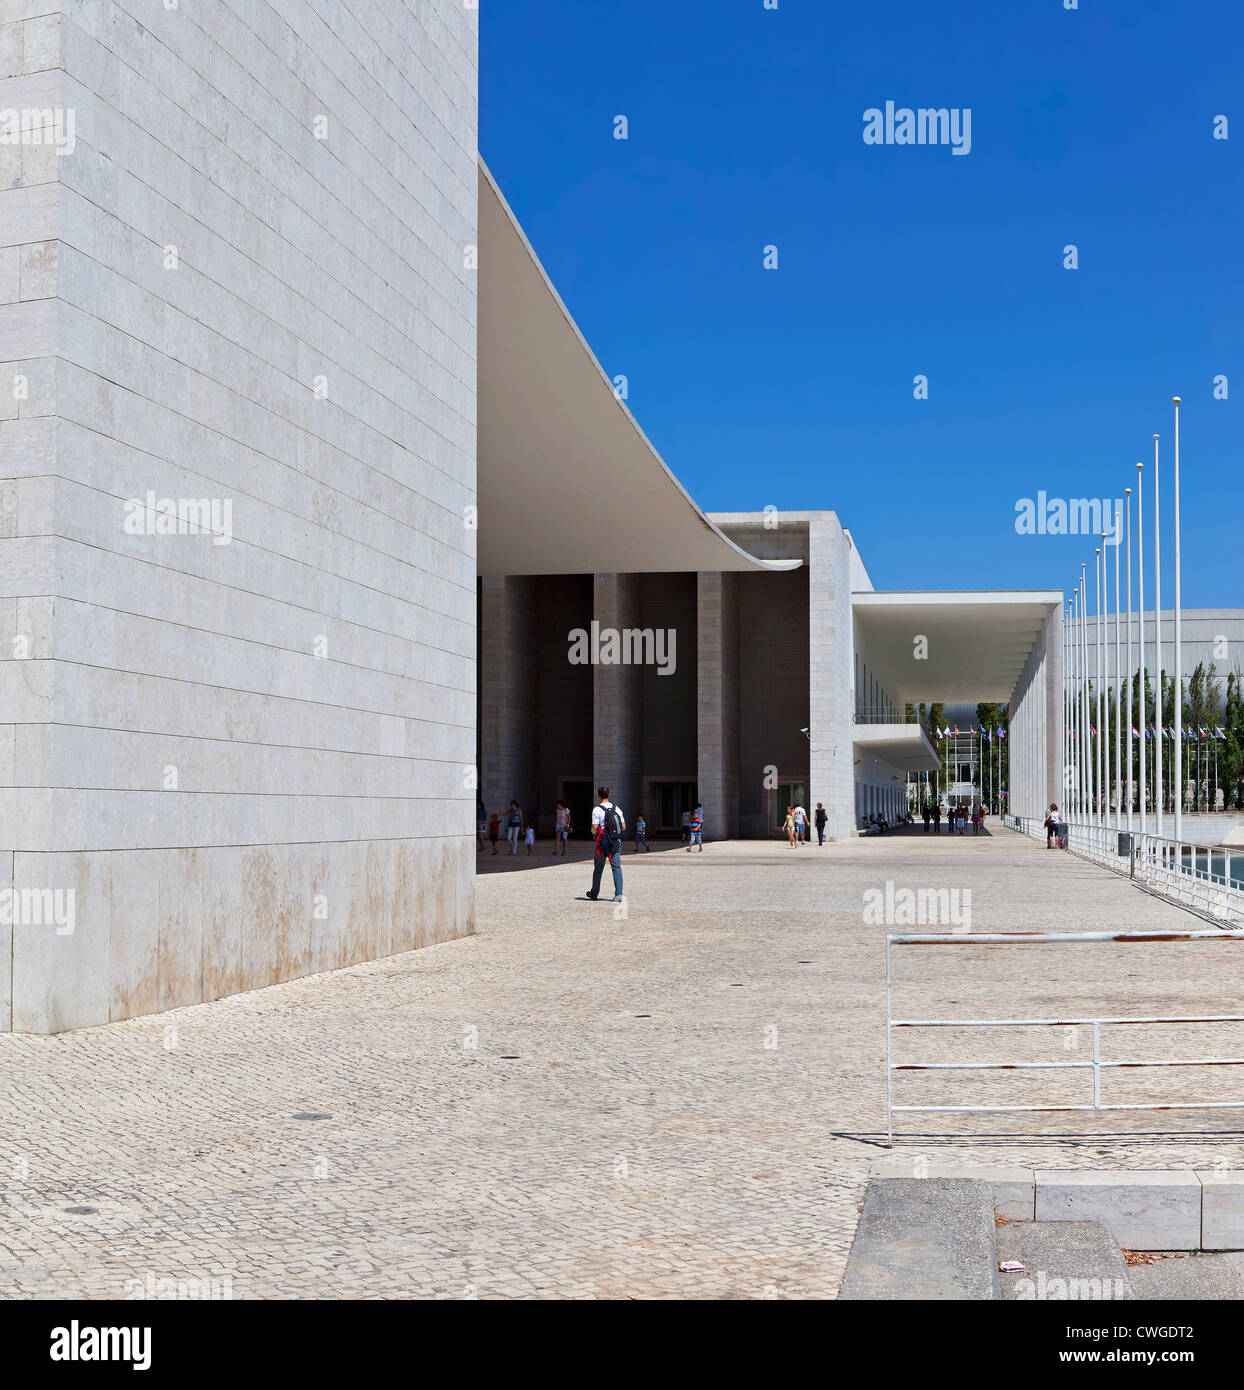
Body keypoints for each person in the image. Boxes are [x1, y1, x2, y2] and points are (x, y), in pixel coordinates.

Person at [586, 786, 625, 901]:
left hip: (602, 843)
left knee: (598, 868)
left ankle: (594, 893)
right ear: (609, 795)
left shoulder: (597, 810)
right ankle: (618, 894)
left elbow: (595, 827)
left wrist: (593, 832)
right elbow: (623, 826)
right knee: (616, 868)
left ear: (598, 796)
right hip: (615, 843)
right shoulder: (616, 808)